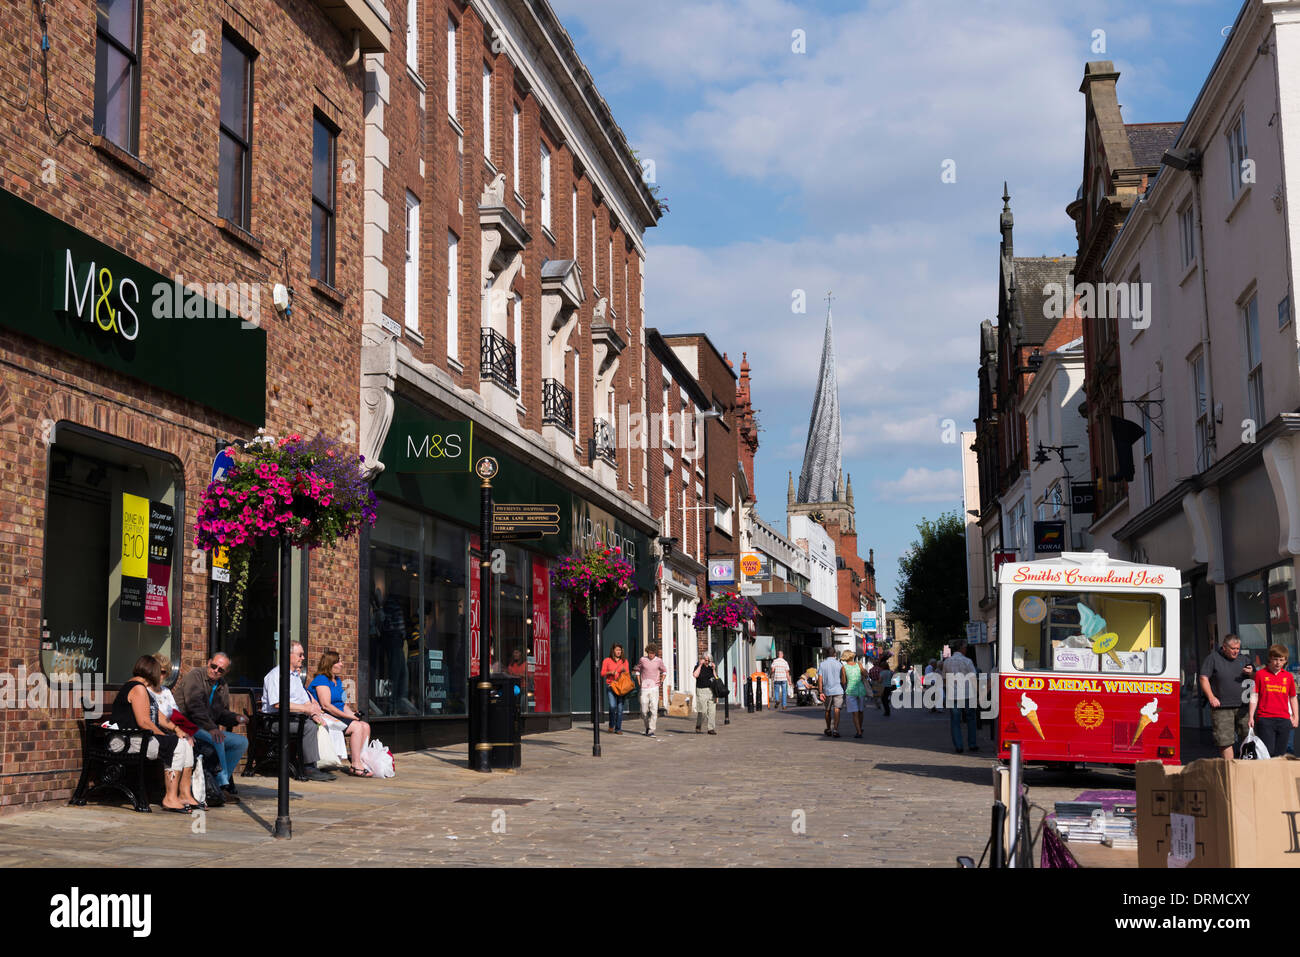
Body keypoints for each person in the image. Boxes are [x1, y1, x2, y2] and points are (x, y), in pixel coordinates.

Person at [112, 655, 196, 813]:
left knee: (183, 741)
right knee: (175, 744)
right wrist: (165, 737)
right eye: (160, 672)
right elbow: (144, 722)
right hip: (127, 741)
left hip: (137, 738)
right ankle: (170, 798)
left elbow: (158, 715)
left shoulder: (143, 688)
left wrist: (177, 729)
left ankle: (184, 794)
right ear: (152, 672)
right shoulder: (137, 688)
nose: (162, 676)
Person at [175, 652, 249, 802]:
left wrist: (235, 718)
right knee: (217, 738)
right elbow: (194, 707)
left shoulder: (222, 685)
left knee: (241, 742)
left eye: (220, 669)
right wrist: (212, 728)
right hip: (185, 724)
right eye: (214, 666)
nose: (215, 670)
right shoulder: (195, 676)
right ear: (208, 663)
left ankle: (213, 785)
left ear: (225, 672)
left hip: (204, 728)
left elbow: (221, 713)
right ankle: (221, 788)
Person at [262, 642, 336, 781]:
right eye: (300, 655)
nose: (303, 658)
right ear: (288, 655)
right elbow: (278, 703)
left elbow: (305, 700)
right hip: (275, 720)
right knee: (309, 726)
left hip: (293, 718)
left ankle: (318, 763)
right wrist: (306, 709)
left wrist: (314, 713)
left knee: (321, 723)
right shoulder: (276, 675)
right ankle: (308, 767)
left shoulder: (294, 677)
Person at [309, 651, 374, 777]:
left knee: (365, 726)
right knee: (357, 727)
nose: (342, 664)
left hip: (338, 715)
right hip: (325, 715)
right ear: (330, 664)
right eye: (338, 661)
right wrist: (349, 717)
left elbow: (342, 704)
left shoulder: (337, 680)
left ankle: (360, 761)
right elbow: (326, 705)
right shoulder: (321, 679)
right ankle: (355, 765)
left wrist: (353, 715)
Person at [1199, 633, 1256, 760]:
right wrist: (1211, 697)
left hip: (1243, 707)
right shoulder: (1213, 658)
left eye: (1238, 649)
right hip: (1222, 707)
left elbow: (1256, 679)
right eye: (1233, 649)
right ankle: (1230, 768)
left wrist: (1251, 673)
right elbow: (1203, 678)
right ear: (1224, 647)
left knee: (1248, 739)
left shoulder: (1245, 659)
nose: (1236, 651)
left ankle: (1246, 767)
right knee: (1225, 741)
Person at [1247, 644, 1297, 759]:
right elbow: (1254, 695)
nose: (1278, 663)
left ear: (1285, 661)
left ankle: (1278, 777)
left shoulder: (1288, 677)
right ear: (1270, 658)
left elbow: (1293, 697)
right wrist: (1251, 716)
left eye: (1281, 660)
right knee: (1267, 752)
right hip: (1265, 719)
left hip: (1284, 719)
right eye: (1275, 659)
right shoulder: (1260, 674)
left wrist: (1296, 716)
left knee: (1281, 754)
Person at [942, 642, 979, 753]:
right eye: (965, 647)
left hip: (953, 694)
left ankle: (959, 746)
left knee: (955, 720)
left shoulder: (947, 662)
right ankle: (972, 744)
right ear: (961, 649)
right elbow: (973, 678)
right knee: (971, 718)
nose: (966, 649)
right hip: (968, 694)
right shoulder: (967, 661)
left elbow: (944, 679)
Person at [634, 643, 668, 736]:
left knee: (653, 709)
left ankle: (651, 730)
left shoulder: (659, 661)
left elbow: (664, 671)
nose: (651, 655)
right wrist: (639, 682)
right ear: (647, 652)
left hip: (654, 687)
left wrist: (661, 681)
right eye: (649, 653)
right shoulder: (643, 659)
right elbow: (637, 670)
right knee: (644, 711)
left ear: (655, 653)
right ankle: (647, 727)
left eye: (652, 653)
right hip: (644, 687)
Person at [600, 644, 630, 735]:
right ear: (613, 651)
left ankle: (618, 728)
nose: (619, 652)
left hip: (621, 687)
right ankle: (611, 725)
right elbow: (602, 673)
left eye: (620, 650)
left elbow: (627, 674)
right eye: (617, 650)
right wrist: (611, 672)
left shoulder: (624, 661)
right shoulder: (607, 660)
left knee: (620, 709)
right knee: (612, 706)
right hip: (611, 686)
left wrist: (624, 671)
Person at [840, 650, 868, 738]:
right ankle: (860, 727)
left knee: (855, 713)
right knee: (861, 711)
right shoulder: (859, 664)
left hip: (851, 691)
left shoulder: (844, 668)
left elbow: (844, 682)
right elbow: (865, 674)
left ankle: (858, 731)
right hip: (860, 690)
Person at [818, 651, 845, 737]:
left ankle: (828, 728)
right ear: (835, 654)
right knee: (837, 709)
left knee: (827, 710)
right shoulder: (840, 664)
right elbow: (843, 679)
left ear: (826, 655)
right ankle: (836, 730)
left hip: (827, 690)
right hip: (838, 690)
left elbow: (820, 679)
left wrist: (820, 691)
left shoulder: (822, 664)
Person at [692, 653, 718, 734]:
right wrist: (700, 665)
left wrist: (714, 669)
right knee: (702, 711)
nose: (707, 662)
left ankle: (711, 728)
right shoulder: (698, 667)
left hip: (711, 691)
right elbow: (695, 675)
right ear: (702, 659)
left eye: (708, 660)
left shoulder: (711, 668)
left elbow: (716, 679)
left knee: (712, 711)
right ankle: (698, 725)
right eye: (705, 660)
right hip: (701, 691)